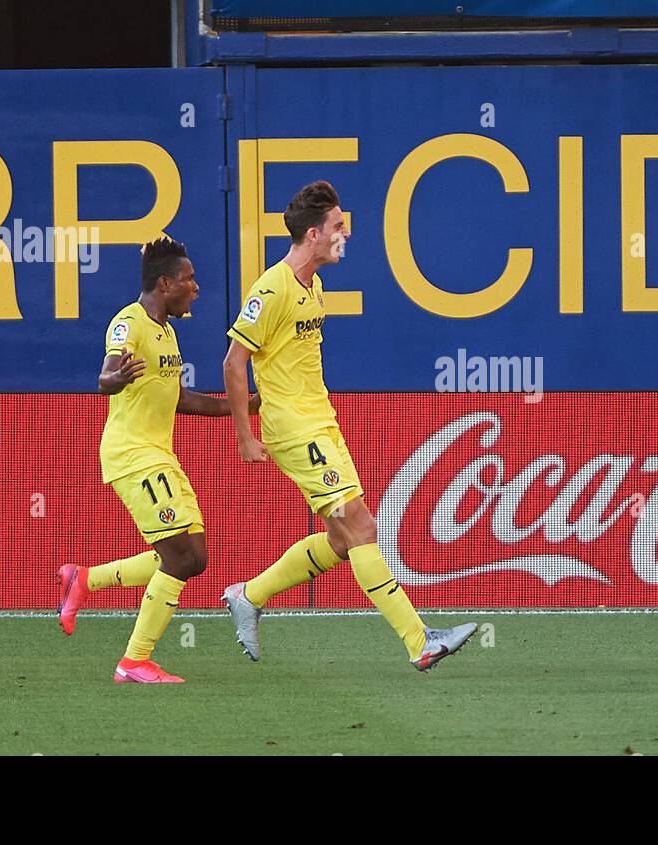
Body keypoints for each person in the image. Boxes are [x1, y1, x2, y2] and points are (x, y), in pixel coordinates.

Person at [220, 180, 477, 672]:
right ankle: (418, 638)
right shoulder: (271, 289)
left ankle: (248, 596)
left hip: (321, 422)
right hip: (295, 431)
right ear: (313, 234)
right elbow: (234, 363)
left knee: (342, 540)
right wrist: (245, 434)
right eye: (338, 227)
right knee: (361, 525)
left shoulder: (312, 284)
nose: (345, 236)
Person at [56, 237, 258, 684]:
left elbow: (177, 397)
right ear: (165, 283)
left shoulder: (167, 331)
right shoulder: (130, 322)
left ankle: (85, 580)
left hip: (157, 454)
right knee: (182, 557)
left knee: (193, 556)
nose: (197, 287)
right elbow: (108, 372)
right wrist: (112, 378)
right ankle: (133, 662)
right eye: (189, 279)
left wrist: (242, 405)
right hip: (133, 455)